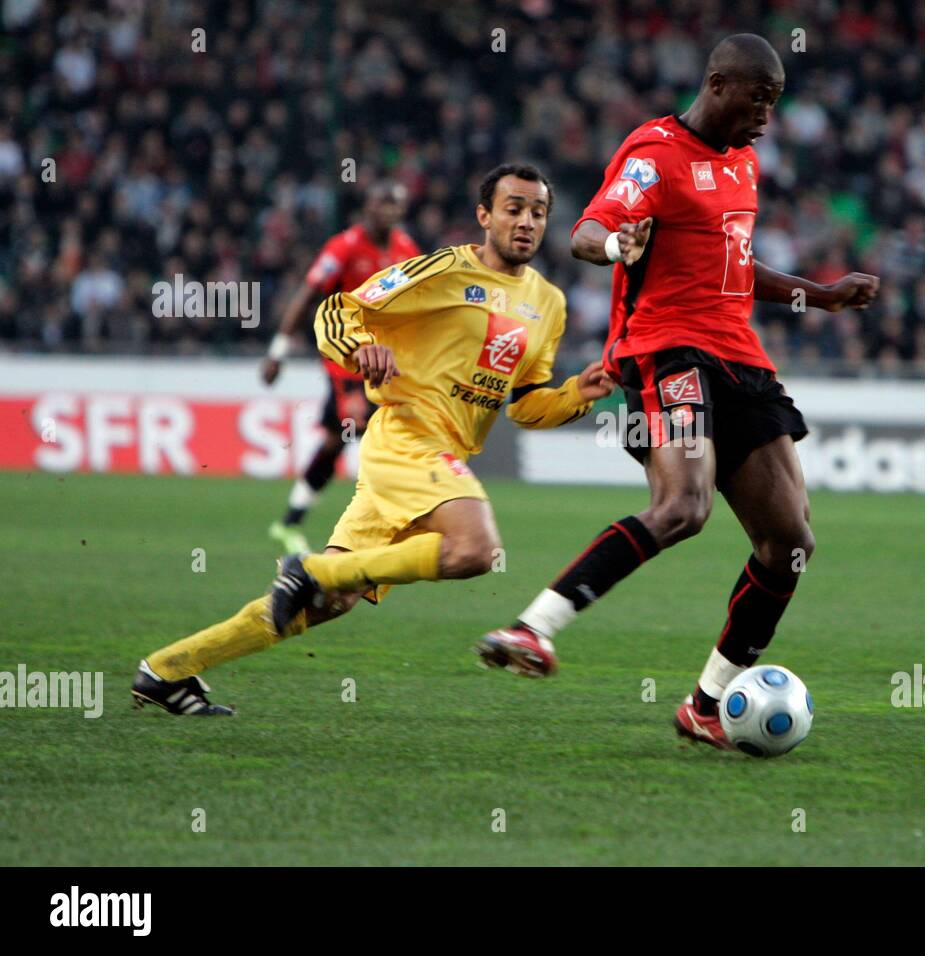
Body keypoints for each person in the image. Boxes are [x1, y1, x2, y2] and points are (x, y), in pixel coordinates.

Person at [475, 35, 879, 749]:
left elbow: (738, 264)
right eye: (758, 99)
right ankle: (532, 627)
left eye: (774, 104)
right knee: (683, 506)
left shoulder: (745, 164)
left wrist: (820, 296)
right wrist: (613, 247)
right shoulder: (654, 153)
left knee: (789, 542)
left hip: (741, 360)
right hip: (665, 353)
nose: (765, 116)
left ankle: (705, 704)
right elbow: (587, 231)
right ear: (719, 84)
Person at [131, 164, 612, 714]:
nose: (526, 221)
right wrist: (361, 351)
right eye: (513, 208)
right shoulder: (442, 270)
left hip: (439, 461)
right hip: (405, 438)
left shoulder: (548, 304)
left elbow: (526, 405)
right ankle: (313, 568)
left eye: (538, 212)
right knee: (475, 549)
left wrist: (578, 391)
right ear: (484, 216)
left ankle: (166, 670)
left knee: (328, 603)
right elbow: (335, 312)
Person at [262, 180, 418, 554]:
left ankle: (290, 522)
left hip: (386, 361)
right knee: (362, 428)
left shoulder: (405, 250)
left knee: (338, 440)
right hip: (346, 359)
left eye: (395, 203)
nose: (388, 210)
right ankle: (378, 527)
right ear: (367, 206)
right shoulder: (344, 247)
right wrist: (278, 351)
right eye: (382, 200)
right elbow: (308, 294)